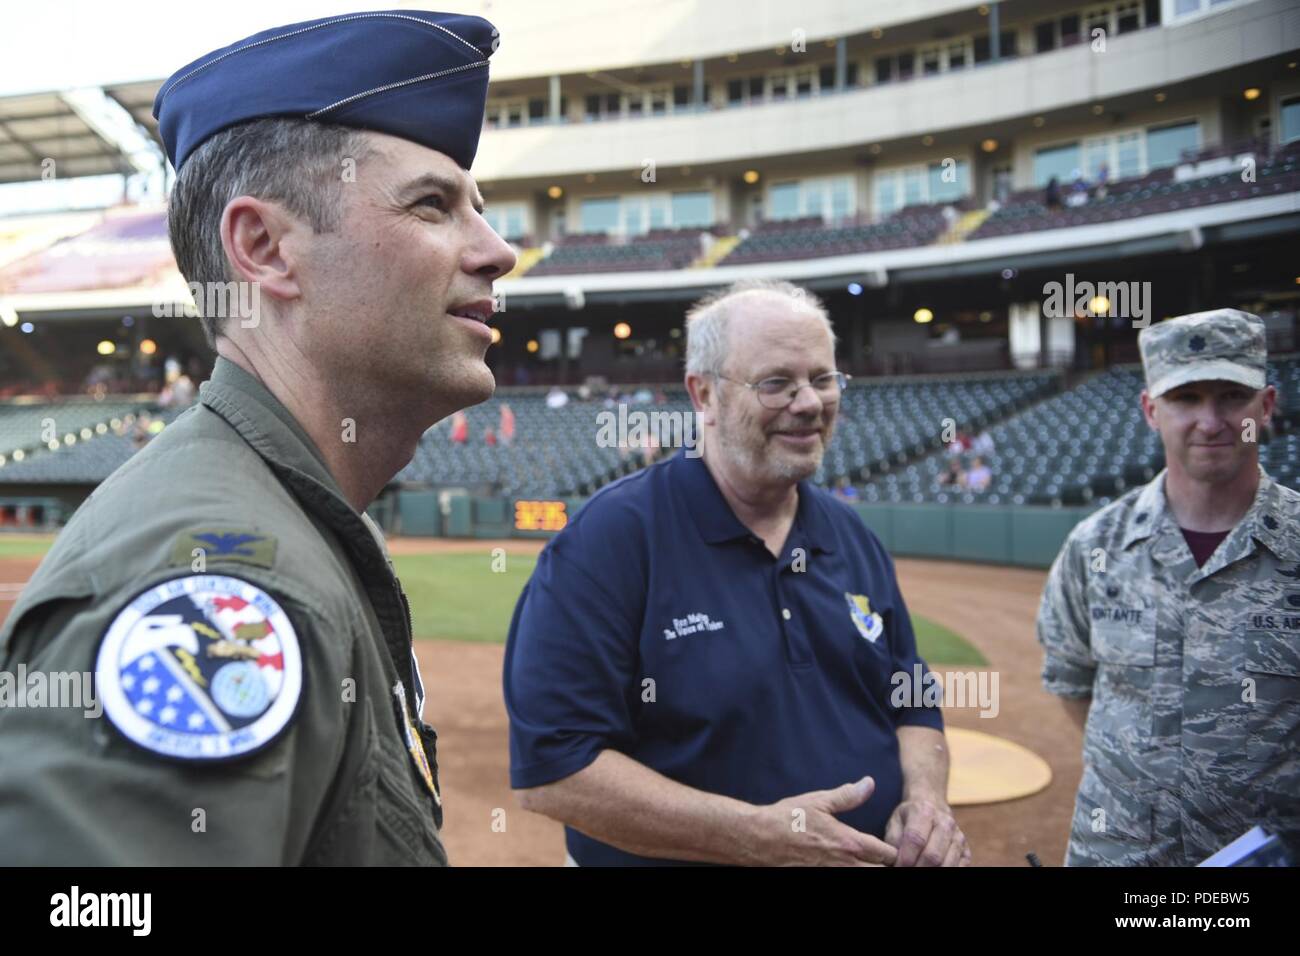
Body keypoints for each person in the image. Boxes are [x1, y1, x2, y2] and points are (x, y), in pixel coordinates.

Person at [0, 9, 516, 865]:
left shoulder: (291, 515)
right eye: (433, 205)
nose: (497, 251)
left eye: (478, 209)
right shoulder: (219, 582)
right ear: (265, 249)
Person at [504, 279, 969, 867]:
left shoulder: (853, 539)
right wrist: (752, 837)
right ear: (704, 395)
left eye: (823, 379)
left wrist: (927, 800)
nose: (808, 403)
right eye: (776, 383)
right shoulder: (611, 540)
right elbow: (553, 771)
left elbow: (912, 699)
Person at [1037, 308, 1299, 866]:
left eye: (1231, 396)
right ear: (1151, 410)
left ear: (1267, 407)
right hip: (1120, 857)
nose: (1210, 421)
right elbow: (1072, 683)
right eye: (1185, 399)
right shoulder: (1095, 547)